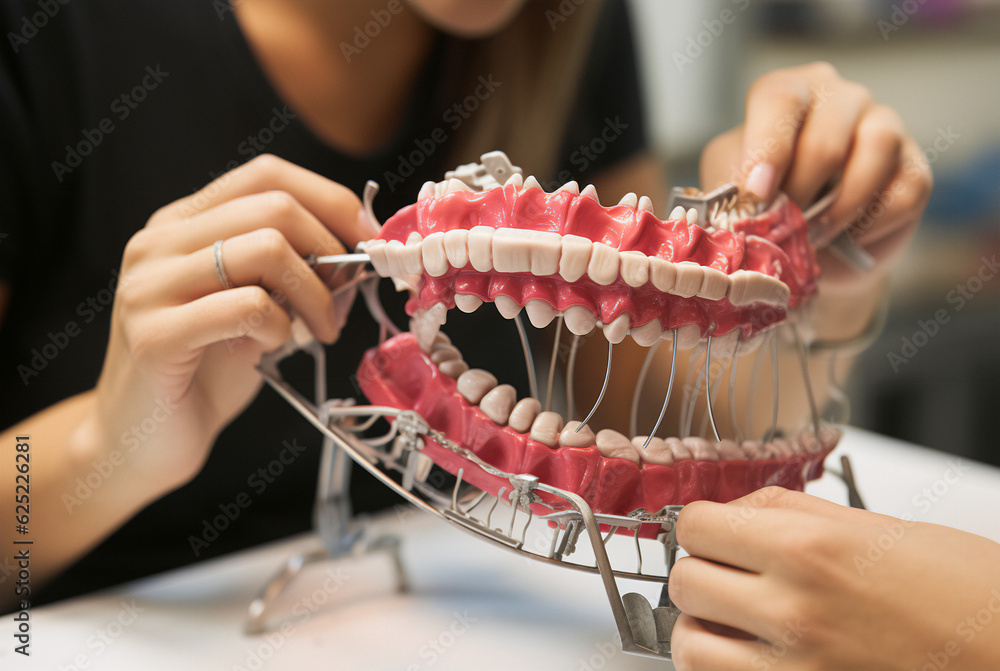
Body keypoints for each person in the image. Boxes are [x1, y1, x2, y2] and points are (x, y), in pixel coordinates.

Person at [3, 1, 995, 669]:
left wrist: (821, 287)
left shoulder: (568, 26)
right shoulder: (48, 40)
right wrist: (103, 446)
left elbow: (656, 417)